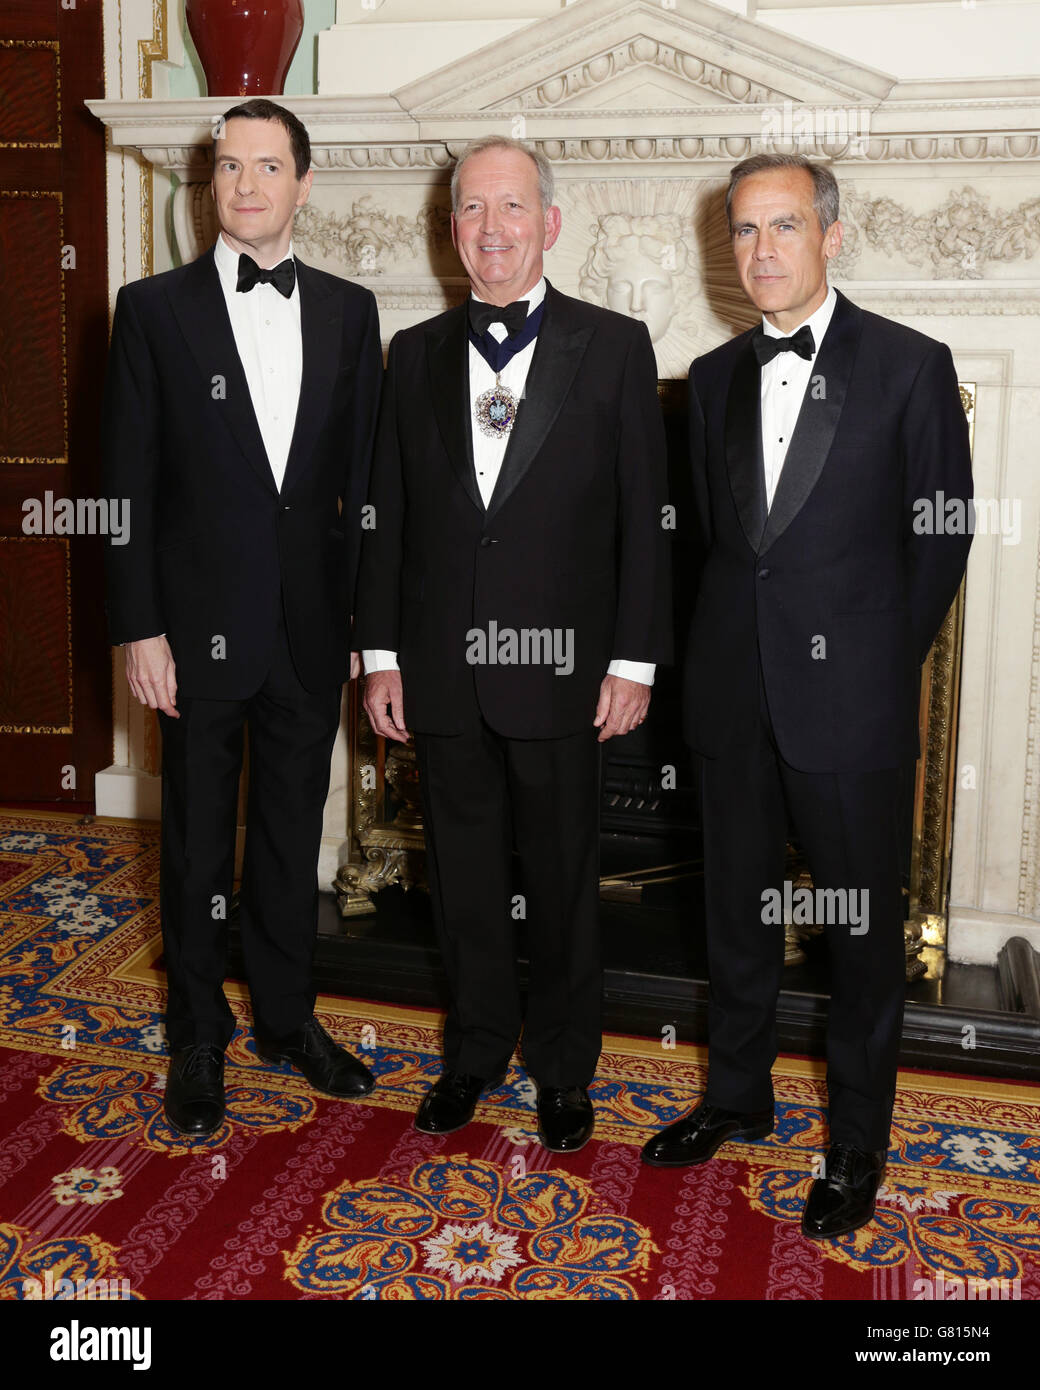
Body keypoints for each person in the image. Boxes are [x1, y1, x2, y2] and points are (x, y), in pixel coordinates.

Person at [641, 153, 973, 1240]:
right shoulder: (711, 375)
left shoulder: (909, 365)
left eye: (782, 226)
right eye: (742, 231)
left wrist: (877, 662)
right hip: (732, 699)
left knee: (856, 937)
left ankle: (854, 1146)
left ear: (831, 236)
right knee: (731, 912)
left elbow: (940, 532)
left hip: (851, 706)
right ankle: (733, 1096)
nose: (761, 250)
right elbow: (719, 550)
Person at [355, 136, 670, 1152]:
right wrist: (378, 655)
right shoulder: (414, 353)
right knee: (463, 877)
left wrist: (632, 660)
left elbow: (643, 519)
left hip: (563, 676)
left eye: (510, 208)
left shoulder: (615, 347)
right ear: (451, 230)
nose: (491, 229)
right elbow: (388, 515)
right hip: (441, 672)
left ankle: (565, 1067)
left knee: (567, 878)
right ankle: (475, 1052)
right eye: (471, 211)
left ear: (549, 223)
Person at [102, 98, 383, 1136]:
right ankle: (194, 1035)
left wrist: (366, 622)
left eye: (268, 166)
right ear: (210, 183)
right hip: (193, 633)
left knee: (288, 832)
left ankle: (285, 1017)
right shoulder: (152, 309)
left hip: (310, 632)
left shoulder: (353, 313)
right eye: (230, 167)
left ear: (303, 183)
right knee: (193, 842)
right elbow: (125, 485)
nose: (248, 184)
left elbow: (361, 485)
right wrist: (140, 629)